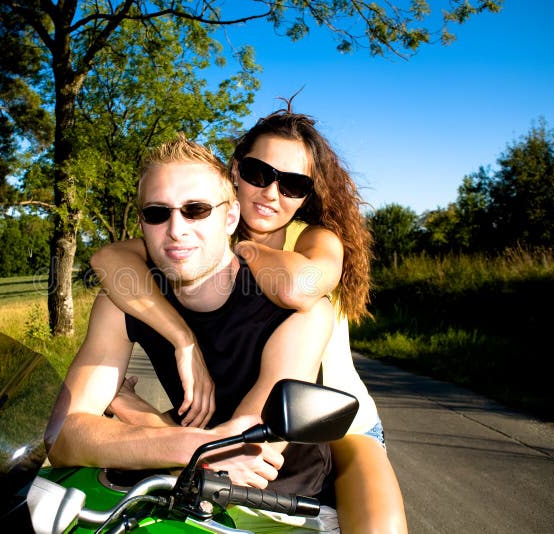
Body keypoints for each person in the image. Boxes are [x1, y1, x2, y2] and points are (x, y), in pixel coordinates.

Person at [90, 110, 407, 533]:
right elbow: (108, 259)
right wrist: (182, 338)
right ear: (236, 170)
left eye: (293, 184)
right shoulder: (203, 230)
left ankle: (136, 409)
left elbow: (297, 287)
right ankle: (140, 414)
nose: (272, 193)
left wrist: (248, 249)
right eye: (259, 173)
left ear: (306, 196)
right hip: (244, 416)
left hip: (339, 424)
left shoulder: (313, 238)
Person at [46, 134, 340, 530]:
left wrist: (138, 419)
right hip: (179, 488)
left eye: (196, 210)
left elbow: (246, 455)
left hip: (287, 507)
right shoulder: (123, 301)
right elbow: (62, 435)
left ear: (230, 218)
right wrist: (191, 445)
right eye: (157, 213)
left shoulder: (298, 313)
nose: (176, 229)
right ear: (141, 225)